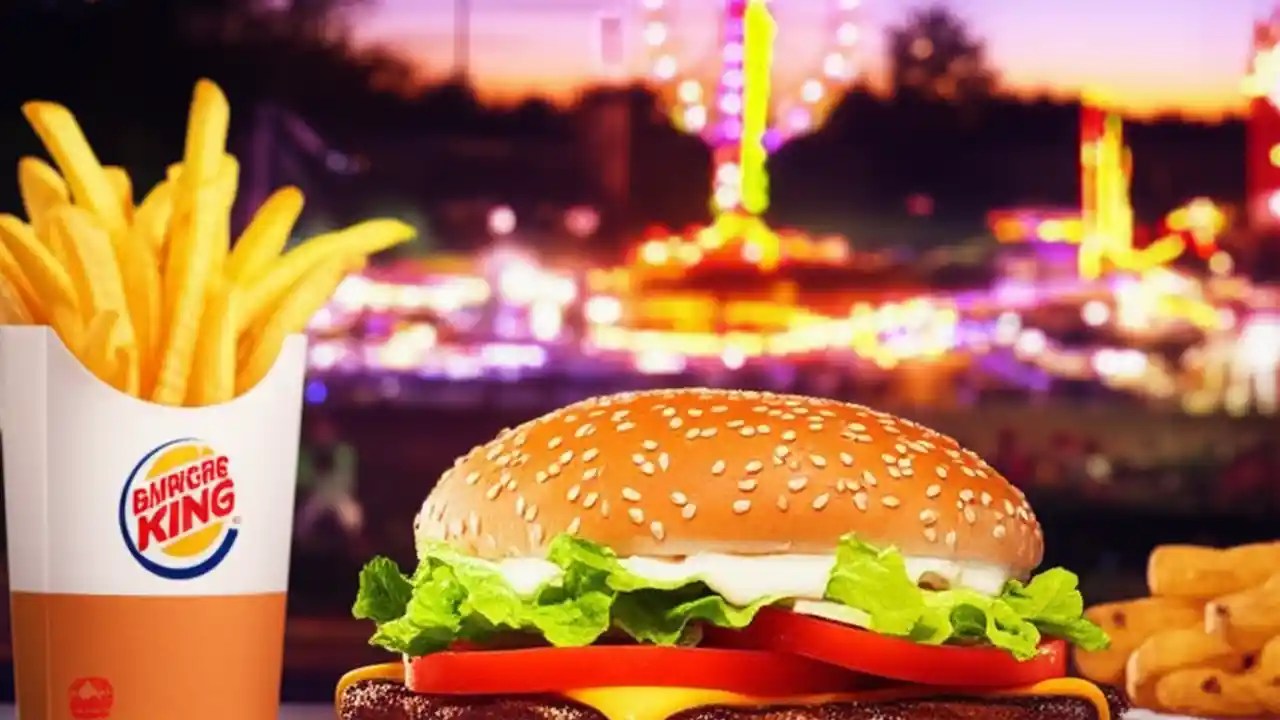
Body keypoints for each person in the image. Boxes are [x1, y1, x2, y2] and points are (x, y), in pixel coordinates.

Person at [295, 413, 364, 552]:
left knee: (354, 520)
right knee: (302, 525)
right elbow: (304, 480)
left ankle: (354, 551)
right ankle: (304, 550)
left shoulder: (344, 451)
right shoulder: (306, 453)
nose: (322, 434)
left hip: (340, 495)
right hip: (317, 496)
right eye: (318, 431)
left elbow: (347, 479)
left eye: (325, 430)